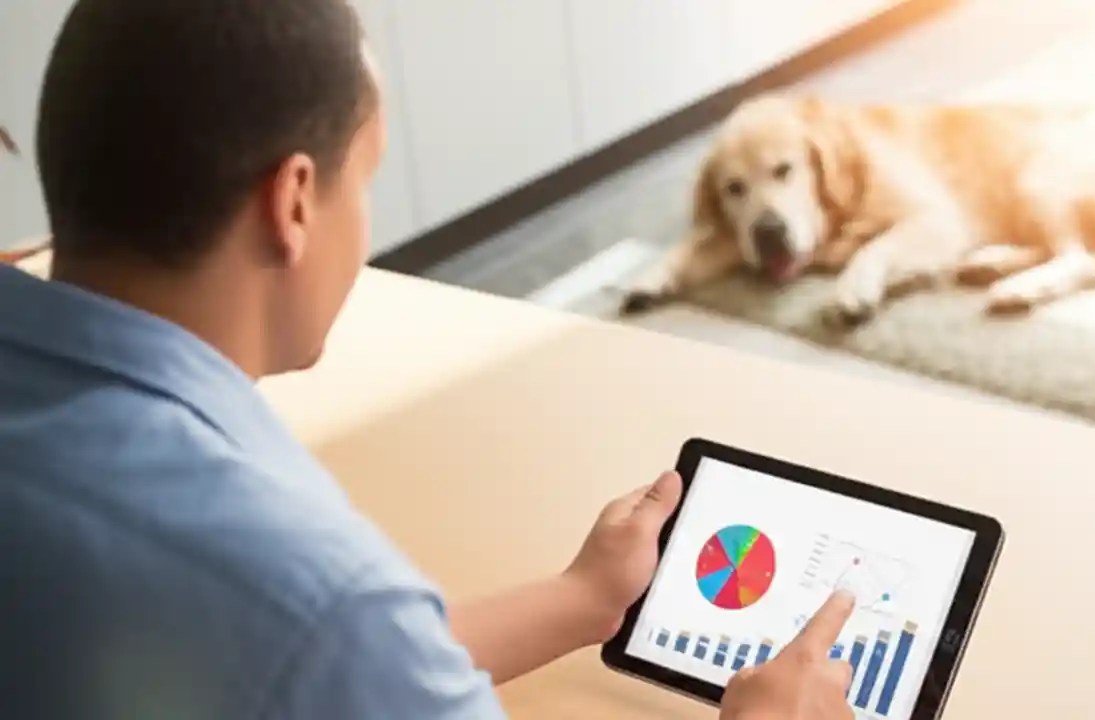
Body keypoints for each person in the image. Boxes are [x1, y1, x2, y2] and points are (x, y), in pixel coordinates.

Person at [0, 1, 858, 718]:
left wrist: (584, 598)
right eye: (364, 178)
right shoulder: (321, 596)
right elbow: (335, 641)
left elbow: (344, 667)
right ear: (293, 203)